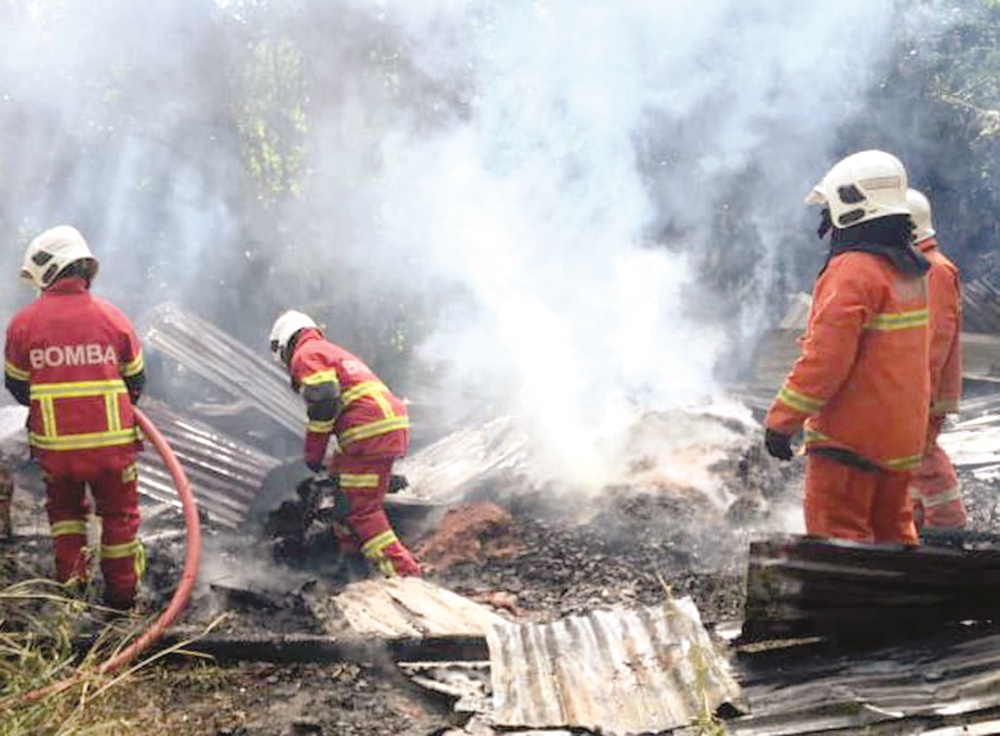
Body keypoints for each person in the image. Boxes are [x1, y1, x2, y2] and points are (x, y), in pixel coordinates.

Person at [763, 150, 931, 545]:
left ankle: (847, 608)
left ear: (851, 204)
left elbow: (825, 362)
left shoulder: (853, 271)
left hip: (850, 440)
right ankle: (904, 606)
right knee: (893, 540)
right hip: (902, 437)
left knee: (842, 547)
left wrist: (781, 421)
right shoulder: (913, 270)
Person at [4, 225, 146, 610]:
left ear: (46, 271)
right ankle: (120, 600)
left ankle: (73, 596)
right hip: (111, 450)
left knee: (66, 517)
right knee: (118, 520)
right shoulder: (112, 318)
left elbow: (17, 387)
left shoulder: (23, 324)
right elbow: (136, 380)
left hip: (57, 452)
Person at [269, 309, 421, 577]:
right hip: (383, 426)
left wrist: (313, 454)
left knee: (361, 510)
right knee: (342, 493)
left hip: (368, 430)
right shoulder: (329, 351)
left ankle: (406, 574)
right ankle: (352, 566)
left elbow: (324, 401)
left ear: (283, 345)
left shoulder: (306, 354)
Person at [906, 188, 967, 530]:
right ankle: (919, 526)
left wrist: (918, 391)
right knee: (912, 462)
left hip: (926, 391)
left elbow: (934, 339)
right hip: (919, 388)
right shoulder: (922, 267)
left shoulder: (936, 271)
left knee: (923, 456)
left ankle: (948, 526)